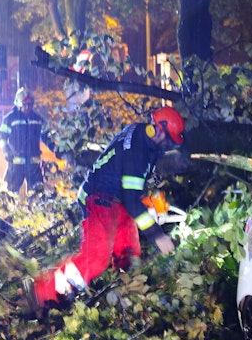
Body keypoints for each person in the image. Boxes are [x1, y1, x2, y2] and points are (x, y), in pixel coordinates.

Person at [32, 106, 185, 310]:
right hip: (100, 197)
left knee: (129, 255)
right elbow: (132, 198)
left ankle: (125, 299)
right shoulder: (139, 149)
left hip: (117, 199)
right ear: (158, 129)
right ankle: (44, 292)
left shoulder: (144, 138)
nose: (167, 146)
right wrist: (158, 236)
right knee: (96, 258)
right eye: (168, 141)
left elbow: (139, 179)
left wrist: (155, 198)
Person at [0, 87, 53, 193]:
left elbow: (47, 137)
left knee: (37, 195)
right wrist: (6, 152)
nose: (27, 107)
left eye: (29, 105)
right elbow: (1, 137)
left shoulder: (38, 119)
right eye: (25, 105)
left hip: (33, 165)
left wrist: (57, 150)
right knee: (10, 194)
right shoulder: (10, 119)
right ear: (18, 104)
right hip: (16, 164)